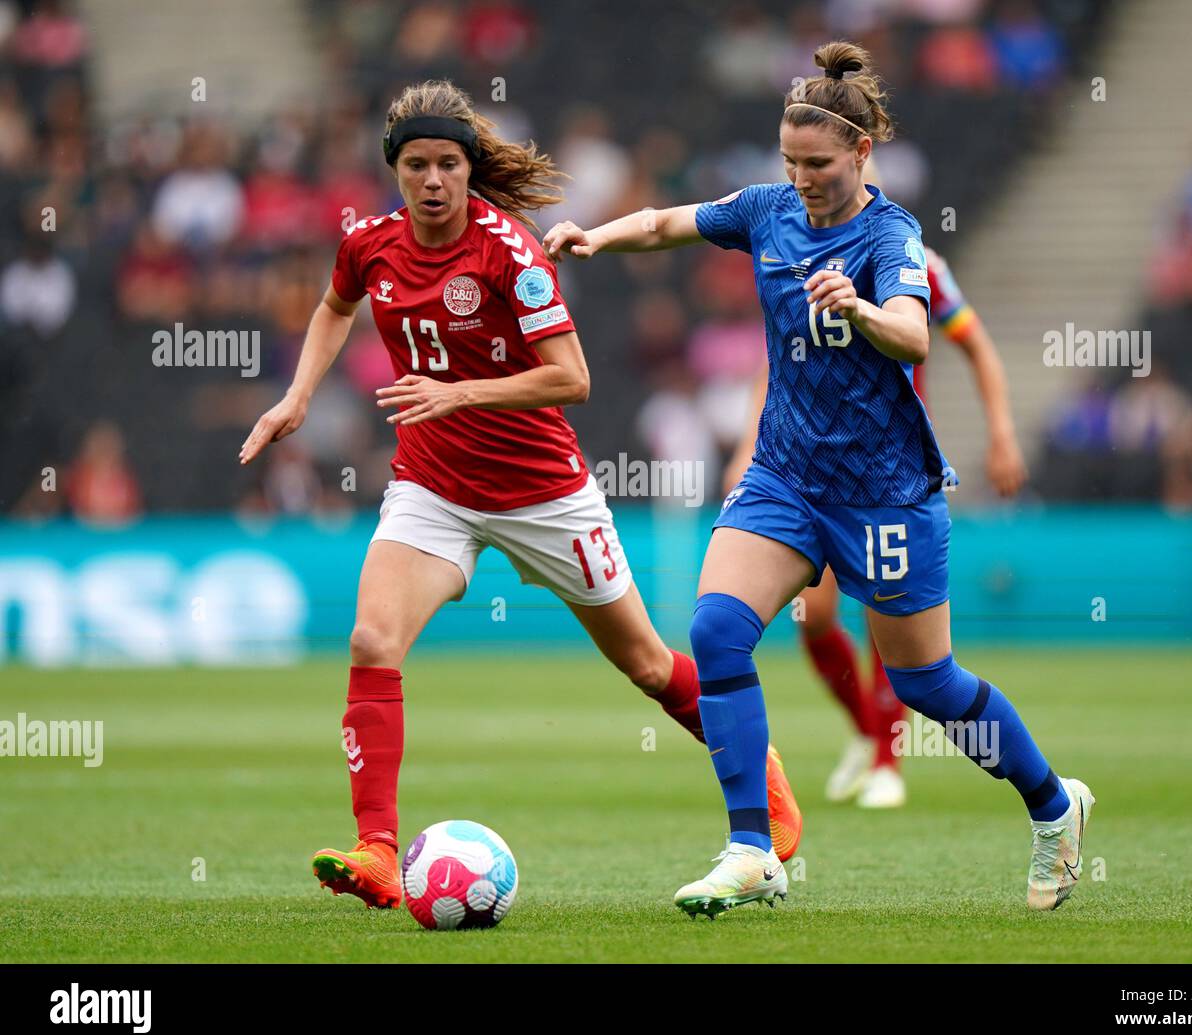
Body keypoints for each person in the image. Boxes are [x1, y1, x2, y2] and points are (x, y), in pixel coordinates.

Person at [544, 41, 1092, 916]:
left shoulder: (890, 234)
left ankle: (1055, 806)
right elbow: (664, 223)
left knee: (926, 685)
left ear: (863, 153)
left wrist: (860, 307)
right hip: (785, 476)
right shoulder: (766, 211)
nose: (800, 178)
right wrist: (591, 237)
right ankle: (752, 847)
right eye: (789, 160)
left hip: (883, 490)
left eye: (818, 164)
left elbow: (915, 336)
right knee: (718, 630)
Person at [239, 79, 802, 910]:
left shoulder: (510, 253)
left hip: (544, 491)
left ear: (470, 169)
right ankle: (379, 851)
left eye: (449, 164)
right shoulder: (369, 242)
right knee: (370, 639)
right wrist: (297, 396)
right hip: (432, 485)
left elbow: (572, 378)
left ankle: (765, 784)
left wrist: (456, 392)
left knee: (648, 663)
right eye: (417, 164)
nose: (433, 180)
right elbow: (333, 307)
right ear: (394, 169)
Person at [721, 187, 1029, 810]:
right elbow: (779, 362)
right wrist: (746, 448)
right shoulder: (803, 256)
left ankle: (889, 760)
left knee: (891, 633)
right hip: (807, 466)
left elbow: (975, 345)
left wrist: (1002, 434)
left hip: (886, 474)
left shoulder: (919, 267)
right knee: (815, 616)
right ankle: (865, 730)